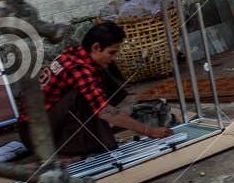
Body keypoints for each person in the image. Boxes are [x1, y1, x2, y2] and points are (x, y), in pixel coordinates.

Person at [28, 22, 171, 160]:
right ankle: (70, 149)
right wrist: (149, 131)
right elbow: (104, 111)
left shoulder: (78, 53)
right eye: (112, 52)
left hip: (44, 122)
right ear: (96, 47)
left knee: (102, 72)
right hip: (38, 134)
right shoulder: (78, 69)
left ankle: (105, 127)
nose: (114, 57)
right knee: (86, 97)